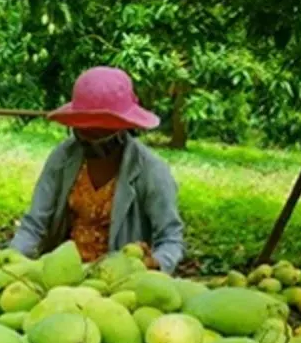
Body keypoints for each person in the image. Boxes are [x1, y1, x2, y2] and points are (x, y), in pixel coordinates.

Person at [10, 66, 184, 272]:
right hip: (63, 274)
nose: (90, 138)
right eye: (84, 130)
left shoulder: (150, 170)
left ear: (123, 128)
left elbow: (171, 239)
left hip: (118, 280)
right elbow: (34, 225)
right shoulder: (64, 158)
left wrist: (157, 262)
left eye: (100, 132)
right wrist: (12, 259)